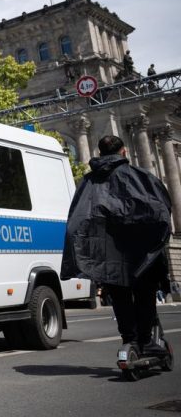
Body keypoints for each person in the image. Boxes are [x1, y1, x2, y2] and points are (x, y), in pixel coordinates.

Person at [61, 135, 172, 355]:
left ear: (100, 154)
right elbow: (161, 209)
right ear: (123, 152)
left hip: (108, 254)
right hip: (140, 253)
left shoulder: (89, 182)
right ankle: (146, 341)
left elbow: (79, 217)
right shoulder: (140, 176)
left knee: (120, 298)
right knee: (145, 294)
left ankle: (129, 339)